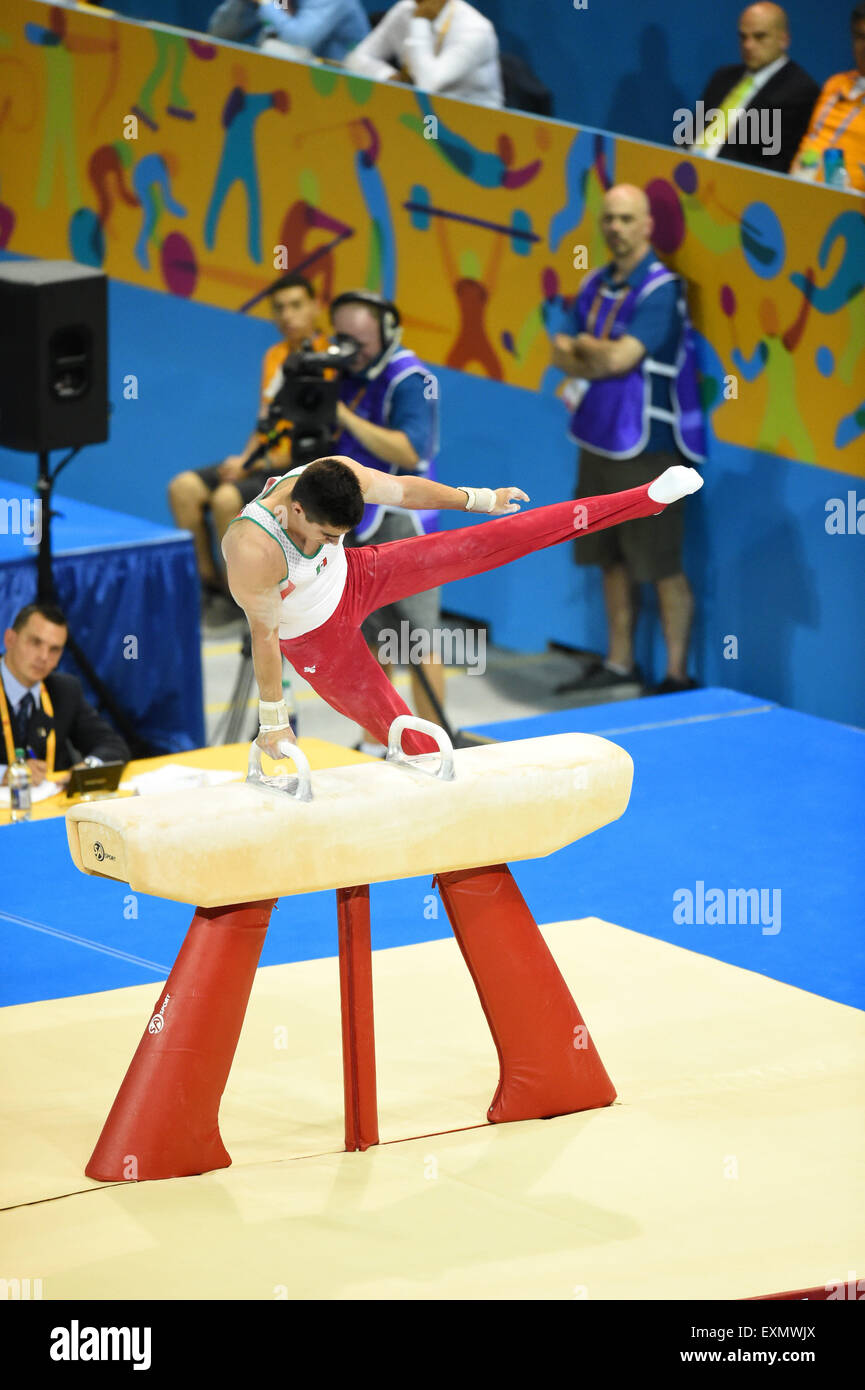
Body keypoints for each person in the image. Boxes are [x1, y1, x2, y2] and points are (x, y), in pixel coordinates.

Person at [221, 455, 703, 760]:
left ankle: (643, 499)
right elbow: (266, 637)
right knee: (406, 735)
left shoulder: (335, 475)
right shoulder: (252, 549)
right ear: (298, 511)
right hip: (314, 640)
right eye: (329, 534)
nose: (333, 540)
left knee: (493, 540)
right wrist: (274, 724)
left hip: (358, 574)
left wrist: (481, 498)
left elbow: (407, 490)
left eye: (342, 532)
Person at [551, 184, 706, 695]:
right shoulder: (595, 283)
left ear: (647, 226)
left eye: (625, 219)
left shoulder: (664, 289)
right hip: (596, 438)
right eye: (608, 218)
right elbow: (560, 353)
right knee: (608, 557)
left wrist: (590, 349)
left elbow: (621, 359)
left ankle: (676, 675)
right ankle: (620, 663)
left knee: (659, 562)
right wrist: (595, 351)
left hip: (649, 445)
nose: (614, 227)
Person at [167, 274, 328, 624]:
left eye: (297, 305)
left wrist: (252, 464)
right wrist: (244, 459)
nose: (287, 315)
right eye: (280, 308)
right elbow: (264, 422)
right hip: (261, 460)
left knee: (226, 500)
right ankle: (212, 587)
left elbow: (310, 448)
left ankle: (242, 602)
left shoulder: (328, 362)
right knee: (183, 488)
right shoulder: (274, 355)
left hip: (298, 470)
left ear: (317, 307)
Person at [329, 289, 442, 752]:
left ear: (389, 333)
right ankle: (376, 738)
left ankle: (435, 740)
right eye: (343, 339)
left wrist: (341, 416)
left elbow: (412, 450)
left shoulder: (412, 379)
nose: (353, 351)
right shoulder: (342, 372)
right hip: (356, 517)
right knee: (372, 637)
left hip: (402, 520)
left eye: (362, 341)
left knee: (419, 641)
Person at [0, 603, 130, 788]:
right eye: (36, 642)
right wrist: (4, 774)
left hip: (51, 807)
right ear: (10, 639)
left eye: (54, 649)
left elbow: (112, 745)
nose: (44, 657)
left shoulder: (64, 690)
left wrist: (89, 766)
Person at [691, 3, 819, 173]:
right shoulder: (722, 77)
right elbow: (690, 134)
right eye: (743, 37)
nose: (748, 45)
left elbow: (775, 165)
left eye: (759, 37)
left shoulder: (800, 90)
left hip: (730, 184)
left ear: (784, 40)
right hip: (686, 171)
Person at [344, 0, 503, 108]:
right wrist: (388, 77)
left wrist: (420, 21)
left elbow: (427, 86)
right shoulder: (405, 9)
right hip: (421, 116)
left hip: (474, 127)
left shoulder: (475, 29)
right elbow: (355, 59)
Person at [791, 4, 865, 192]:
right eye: (860, 37)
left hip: (850, 212)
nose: (864, 47)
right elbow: (812, 139)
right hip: (799, 192)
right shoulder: (836, 83)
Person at [206, 0, 369, 62]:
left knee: (275, 49)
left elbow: (299, 40)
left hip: (343, 91)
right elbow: (219, 33)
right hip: (296, 91)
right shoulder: (280, 1)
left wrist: (265, 3)